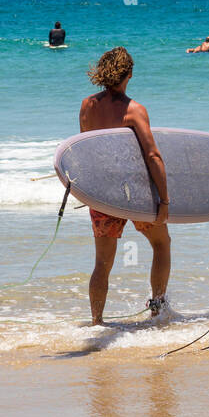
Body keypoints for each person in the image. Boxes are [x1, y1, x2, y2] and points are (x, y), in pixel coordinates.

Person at [79, 46, 172, 324]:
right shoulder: (134, 110)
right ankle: (157, 310)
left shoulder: (87, 106)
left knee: (102, 263)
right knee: (161, 245)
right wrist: (164, 201)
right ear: (129, 75)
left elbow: (87, 149)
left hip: (102, 194)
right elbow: (153, 156)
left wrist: (88, 191)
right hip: (135, 194)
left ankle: (97, 321)